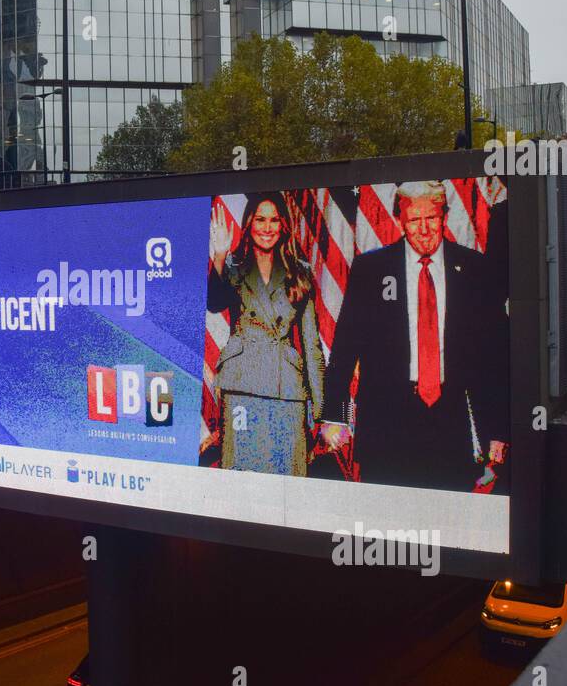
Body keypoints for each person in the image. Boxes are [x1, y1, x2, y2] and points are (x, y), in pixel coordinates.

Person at [319, 181, 508, 492]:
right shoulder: (371, 268)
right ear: (399, 220)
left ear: (444, 216)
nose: (423, 229)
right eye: (414, 220)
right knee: (386, 522)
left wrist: (498, 429)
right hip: (386, 421)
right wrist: (335, 416)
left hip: (452, 421)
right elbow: (345, 347)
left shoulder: (474, 268)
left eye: (431, 218)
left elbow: (493, 355)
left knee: (448, 520)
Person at [207, 192, 325, 475]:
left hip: (287, 389)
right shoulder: (234, 267)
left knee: (288, 478)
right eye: (260, 219)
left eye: (274, 220)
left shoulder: (300, 272)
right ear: (249, 222)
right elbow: (214, 302)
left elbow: (311, 344)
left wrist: (322, 411)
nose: (267, 227)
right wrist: (220, 255)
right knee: (241, 476)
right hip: (241, 383)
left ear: (284, 225)